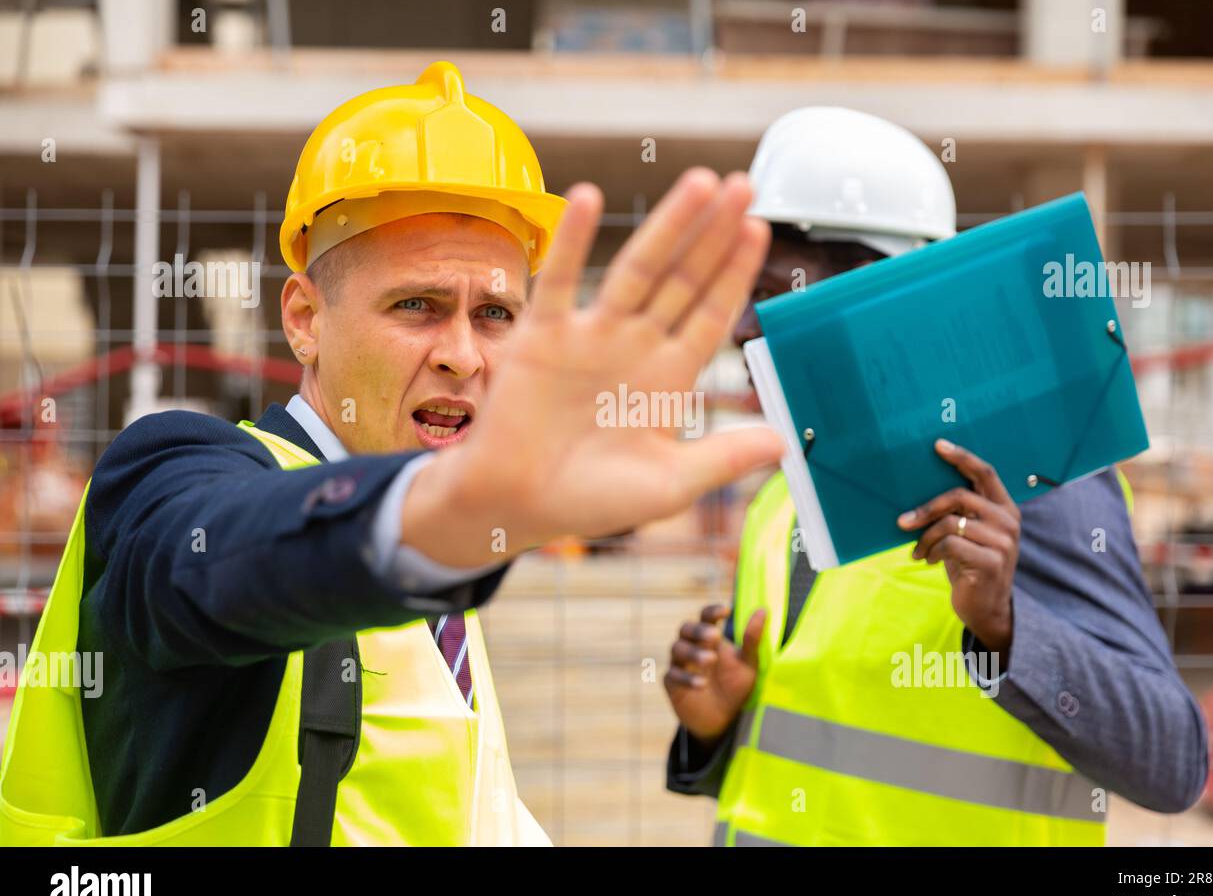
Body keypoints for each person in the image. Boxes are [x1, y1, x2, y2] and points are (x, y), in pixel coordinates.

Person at [0, 61, 783, 846]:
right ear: (305, 318)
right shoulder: (172, 474)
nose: (463, 355)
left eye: (497, 313)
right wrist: (449, 516)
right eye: (418, 305)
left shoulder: (445, 592)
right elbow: (219, 556)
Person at [664, 107, 1208, 846]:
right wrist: (717, 726)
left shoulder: (1030, 480)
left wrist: (1007, 628)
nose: (739, 329)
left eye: (769, 290)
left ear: (875, 294)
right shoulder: (779, 494)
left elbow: (1173, 760)